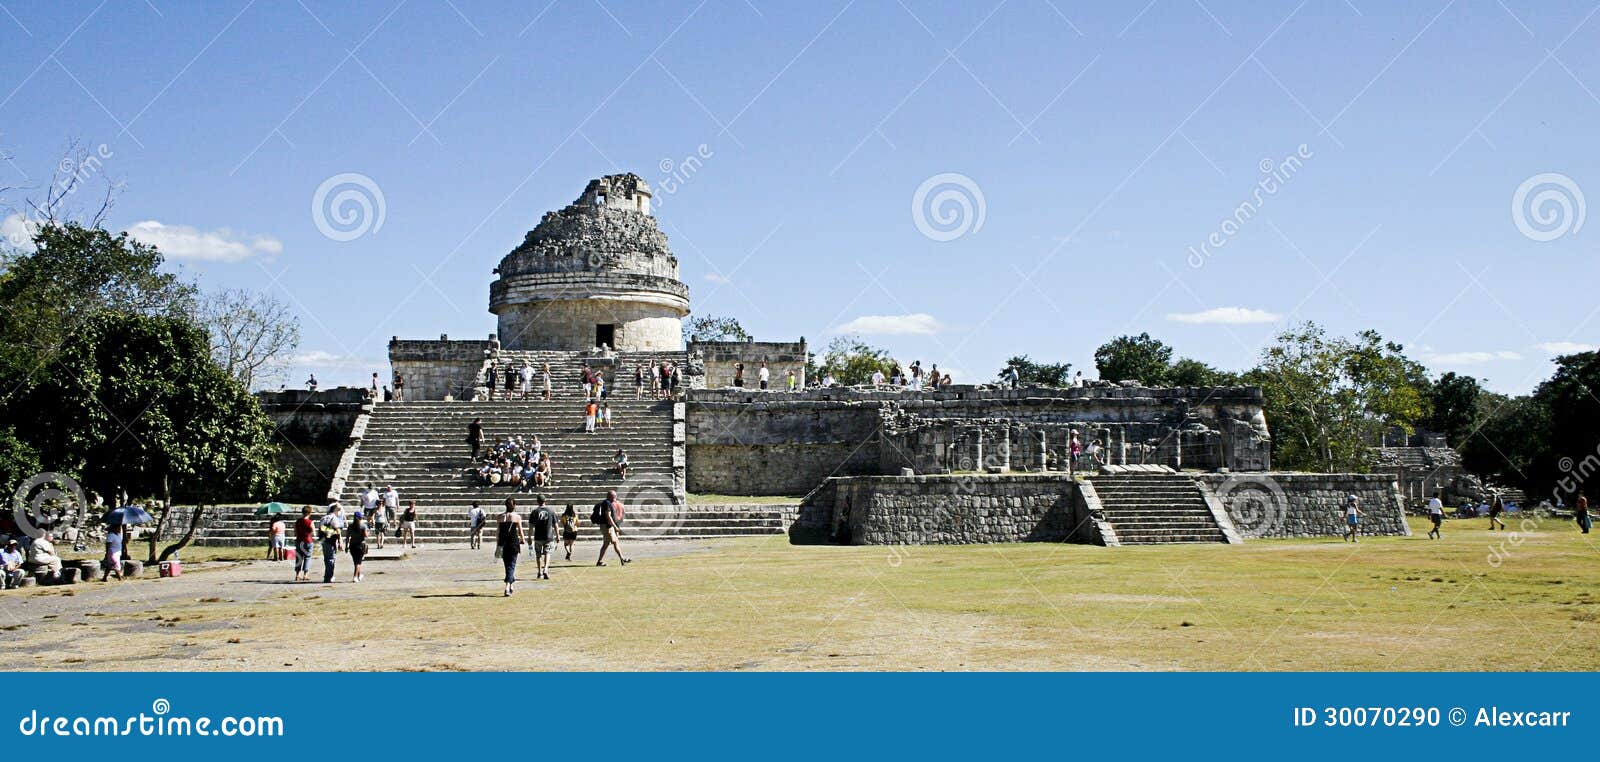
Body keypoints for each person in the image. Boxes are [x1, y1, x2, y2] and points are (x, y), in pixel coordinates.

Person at [593, 489, 630, 567]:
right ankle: (621, 559)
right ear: (611, 496)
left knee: (606, 544)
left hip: (607, 526)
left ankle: (600, 561)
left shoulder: (608, 503)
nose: (616, 498)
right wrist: (615, 527)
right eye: (615, 496)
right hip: (607, 526)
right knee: (614, 542)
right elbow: (608, 516)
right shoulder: (607, 503)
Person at [497, 498, 524, 596]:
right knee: (512, 564)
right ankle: (507, 586)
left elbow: (498, 532)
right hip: (513, 543)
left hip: (503, 543)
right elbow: (520, 531)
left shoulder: (500, 517)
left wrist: (498, 544)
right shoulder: (517, 517)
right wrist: (523, 539)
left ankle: (511, 584)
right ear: (514, 506)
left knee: (507, 565)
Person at [529, 496, 557, 580]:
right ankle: (546, 569)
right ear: (545, 501)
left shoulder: (534, 512)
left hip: (538, 536)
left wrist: (529, 537)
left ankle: (539, 571)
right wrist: (558, 536)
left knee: (538, 554)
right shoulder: (551, 511)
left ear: (537, 501)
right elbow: (555, 525)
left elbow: (531, 526)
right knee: (547, 553)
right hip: (548, 536)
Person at [319, 505, 344, 583]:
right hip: (331, 541)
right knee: (331, 559)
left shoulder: (323, 518)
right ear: (335, 511)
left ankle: (327, 575)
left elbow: (320, 529)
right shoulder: (334, 518)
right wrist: (340, 542)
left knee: (326, 559)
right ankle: (328, 576)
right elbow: (337, 530)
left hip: (324, 540)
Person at [293, 505, 315, 581]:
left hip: (299, 541)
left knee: (299, 558)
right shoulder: (310, 522)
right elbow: (313, 533)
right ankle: (305, 575)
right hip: (308, 541)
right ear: (309, 513)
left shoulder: (298, 521)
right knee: (307, 557)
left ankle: (297, 575)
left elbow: (295, 532)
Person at [347, 511, 368, 582]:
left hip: (352, 545)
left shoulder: (350, 526)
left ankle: (359, 576)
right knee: (358, 562)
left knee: (356, 562)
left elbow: (347, 537)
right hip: (360, 545)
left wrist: (346, 546)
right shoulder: (363, 526)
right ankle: (355, 577)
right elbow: (365, 536)